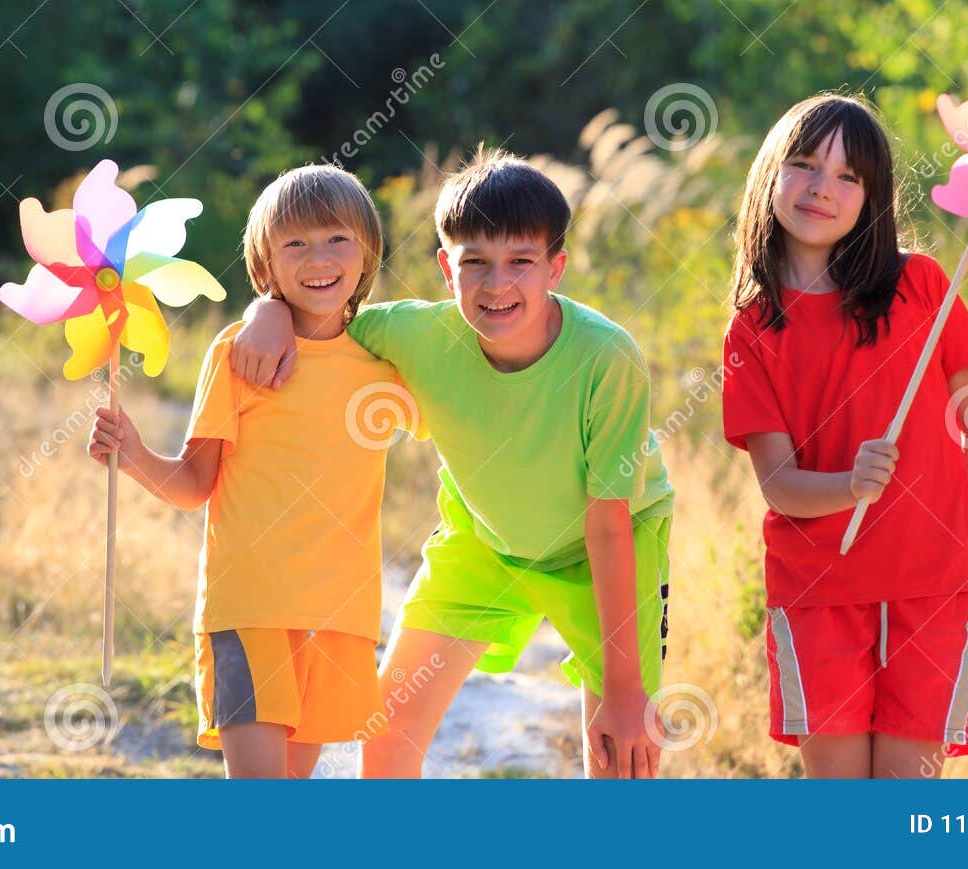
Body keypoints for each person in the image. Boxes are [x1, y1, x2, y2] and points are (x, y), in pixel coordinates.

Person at [230, 148, 674, 778]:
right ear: (446, 267)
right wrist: (266, 310)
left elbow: (608, 523)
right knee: (387, 729)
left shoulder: (606, 357)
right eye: (475, 263)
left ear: (556, 267)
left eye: (521, 262)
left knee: (619, 751)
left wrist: (626, 692)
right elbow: (324, 320)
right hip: (483, 544)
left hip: (606, 544)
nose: (497, 284)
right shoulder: (415, 335)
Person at [88, 164, 421, 778]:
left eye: (338, 238)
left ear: (369, 251)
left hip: (338, 615)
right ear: (265, 263)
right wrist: (132, 455)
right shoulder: (237, 353)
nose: (318, 258)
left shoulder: (387, 362)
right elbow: (195, 485)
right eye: (295, 243)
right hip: (250, 609)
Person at [722, 94, 968, 779]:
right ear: (770, 172)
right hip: (820, 590)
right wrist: (850, 486)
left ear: (873, 198)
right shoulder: (753, 329)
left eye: (849, 176)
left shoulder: (921, 284)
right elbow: (778, 484)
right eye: (805, 164)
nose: (823, 187)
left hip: (929, 585)